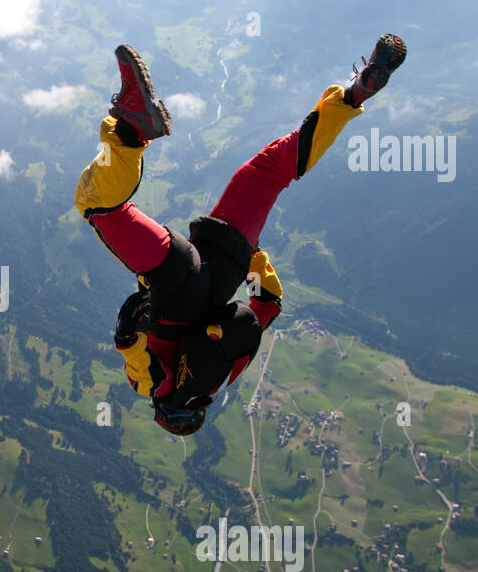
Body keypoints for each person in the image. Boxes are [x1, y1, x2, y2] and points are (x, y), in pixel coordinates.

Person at [75, 36, 406, 435]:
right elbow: (133, 351)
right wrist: (125, 334)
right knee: (99, 208)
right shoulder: (156, 387)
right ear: (165, 410)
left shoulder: (225, 372)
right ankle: (131, 128)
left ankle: (351, 96)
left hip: (226, 265)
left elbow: (268, 305)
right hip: (175, 276)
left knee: (272, 170)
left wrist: (253, 258)